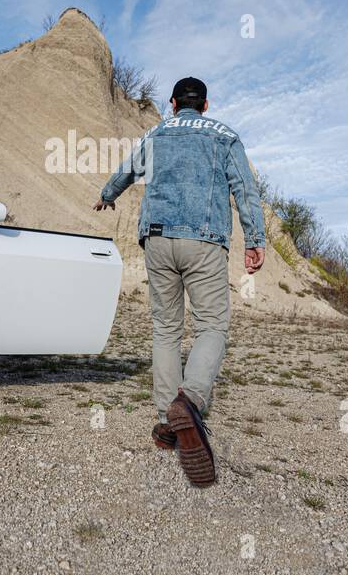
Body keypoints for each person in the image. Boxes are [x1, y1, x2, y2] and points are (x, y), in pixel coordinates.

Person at [94, 76, 265, 487]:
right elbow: (245, 189)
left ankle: (167, 422)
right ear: (205, 105)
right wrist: (254, 240)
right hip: (203, 240)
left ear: (173, 104)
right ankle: (189, 401)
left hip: (157, 240)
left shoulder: (157, 131)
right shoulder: (225, 136)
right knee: (211, 327)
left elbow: (128, 170)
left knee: (165, 330)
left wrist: (107, 193)